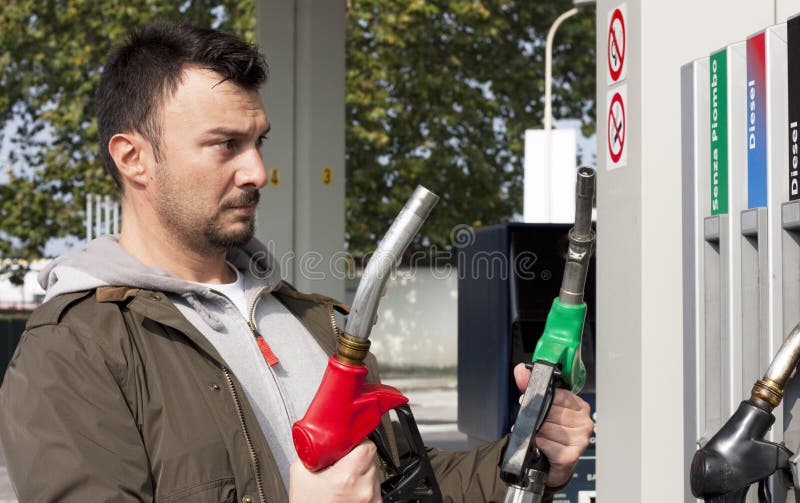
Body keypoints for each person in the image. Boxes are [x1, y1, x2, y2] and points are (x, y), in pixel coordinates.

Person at [0, 21, 593, 503]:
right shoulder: (76, 347)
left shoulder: (317, 323)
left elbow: (409, 483)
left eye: (258, 141)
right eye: (225, 144)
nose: (257, 171)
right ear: (134, 158)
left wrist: (525, 457)